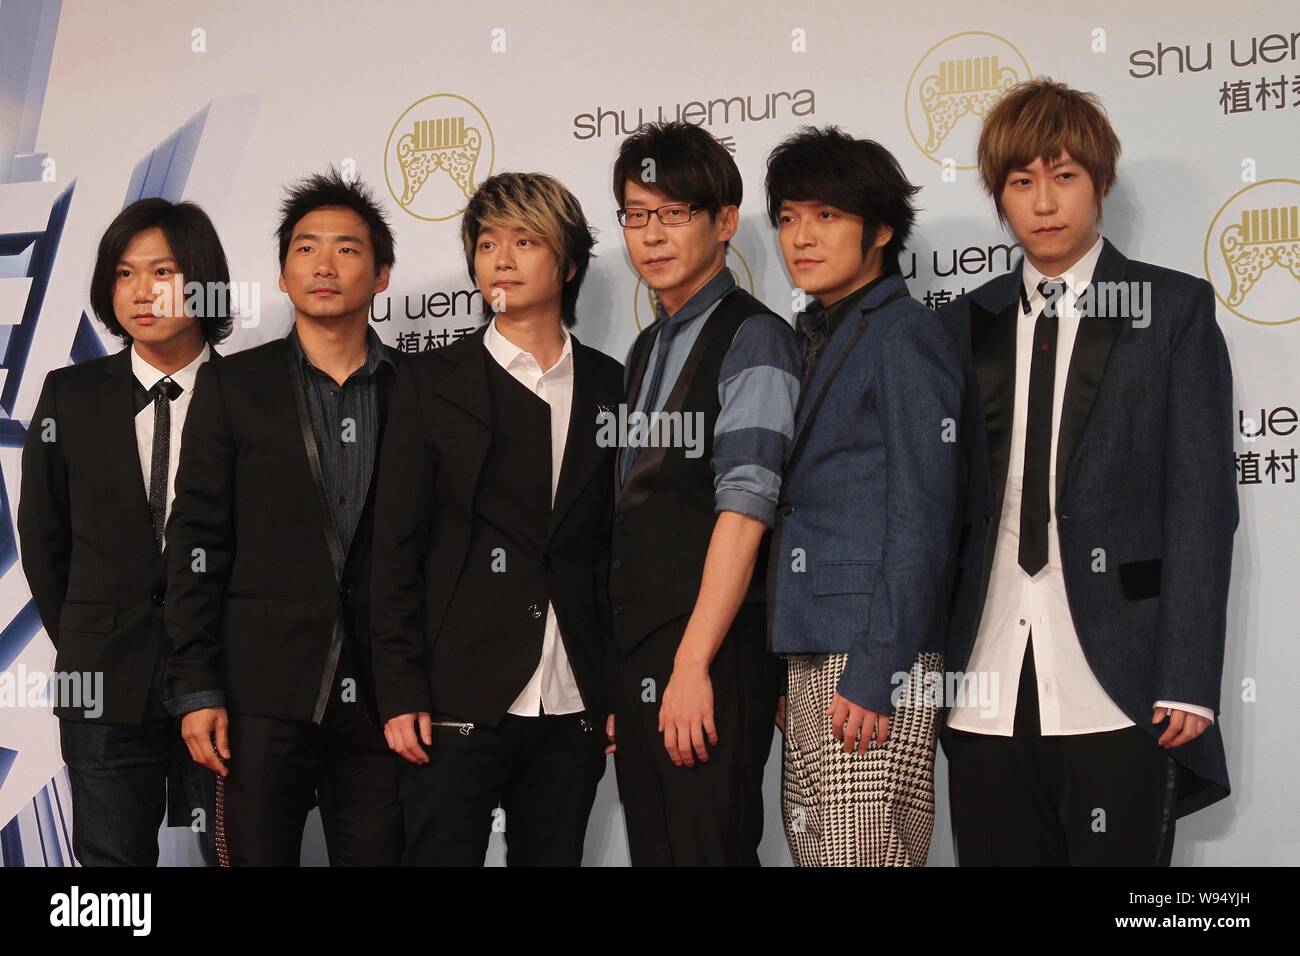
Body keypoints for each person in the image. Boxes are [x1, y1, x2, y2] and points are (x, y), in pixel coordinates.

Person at [939, 78, 1238, 865]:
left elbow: (1202, 501)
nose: (1044, 201)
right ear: (999, 196)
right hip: (984, 680)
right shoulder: (960, 323)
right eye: (1021, 181)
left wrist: (1188, 675)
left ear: (1100, 183)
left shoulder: (1171, 310)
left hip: (1124, 679)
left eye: (1064, 176)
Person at [371, 171, 621, 866]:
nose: (500, 258)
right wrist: (397, 691)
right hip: (454, 700)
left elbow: (614, 553)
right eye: (485, 243)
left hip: (572, 701)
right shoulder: (428, 384)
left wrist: (620, 689)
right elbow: (394, 551)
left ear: (568, 263)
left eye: (524, 240)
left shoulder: (613, 386)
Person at [163, 169, 403, 865]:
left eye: (348, 249)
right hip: (259, 696)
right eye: (306, 248)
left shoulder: (417, 392)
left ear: (382, 274)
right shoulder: (233, 386)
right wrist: (199, 686)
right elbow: (195, 543)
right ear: (282, 273)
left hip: (384, 704)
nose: (324, 264)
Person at [764, 126, 963, 867]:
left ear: (881, 229)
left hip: (875, 656)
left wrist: (879, 671)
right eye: (788, 217)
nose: (801, 237)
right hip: (817, 650)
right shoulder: (815, 334)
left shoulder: (905, 335)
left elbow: (925, 513)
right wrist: (797, 666)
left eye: (826, 215)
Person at [608, 121, 801, 866]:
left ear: (724, 223)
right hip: (647, 655)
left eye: (675, 212)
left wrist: (690, 667)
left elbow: (746, 510)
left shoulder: (755, 338)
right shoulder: (644, 348)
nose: (652, 235)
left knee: (707, 849)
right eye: (636, 214)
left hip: (714, 654)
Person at [19, 198, 229, 866]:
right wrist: (94, 633)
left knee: (241, 854)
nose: (142, 291)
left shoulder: (255, 394)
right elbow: (45, 543)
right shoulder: (68, 396)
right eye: (124, 273)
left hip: (232, 681)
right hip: (103, 681)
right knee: (111, 877)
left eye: (163, 271)